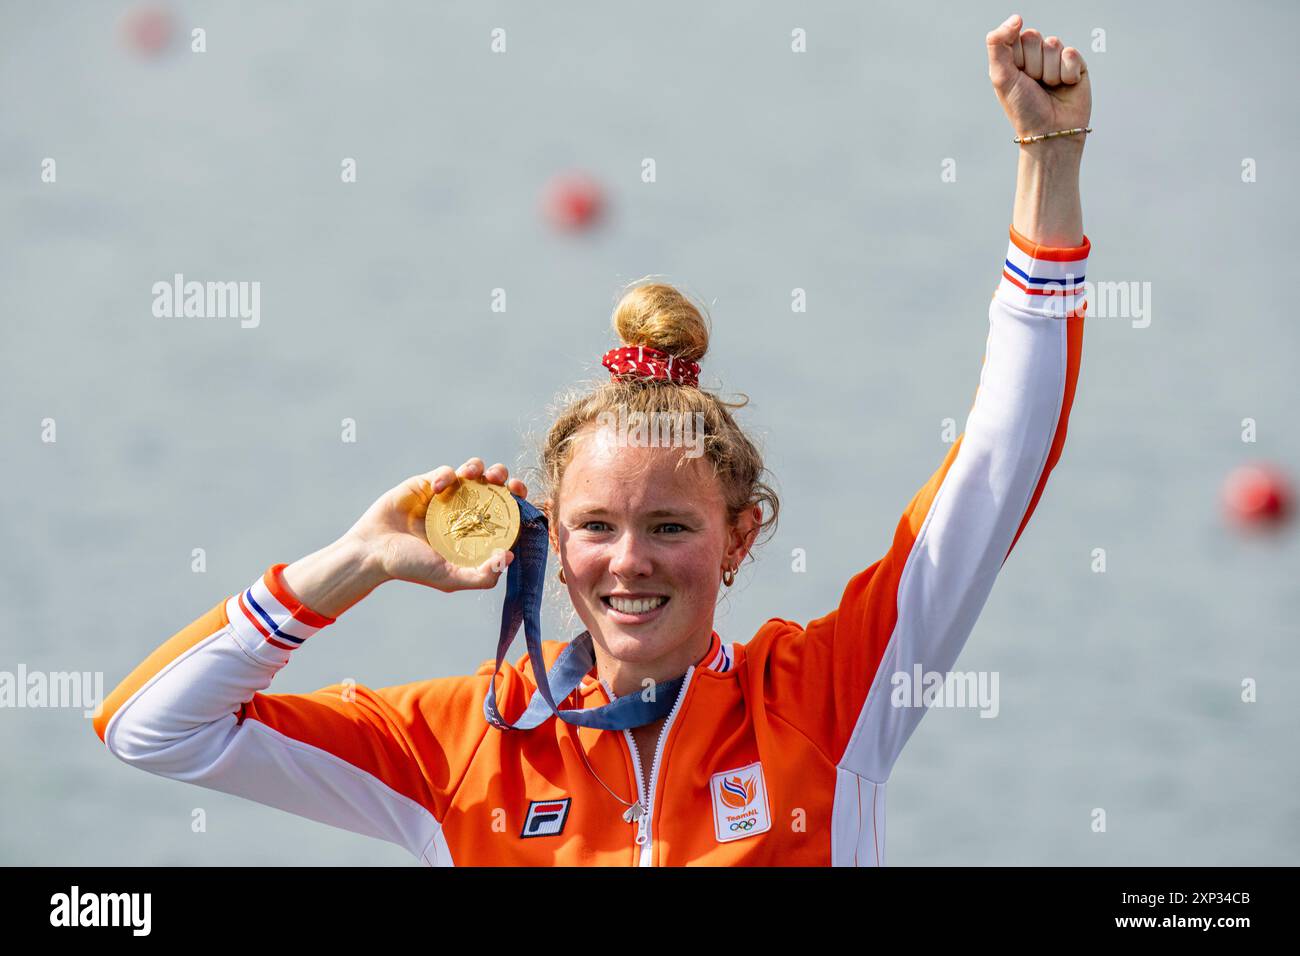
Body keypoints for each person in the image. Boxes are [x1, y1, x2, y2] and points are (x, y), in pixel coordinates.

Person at [93, 14, 1091, 866]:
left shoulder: (827, 702)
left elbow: (1001, 457)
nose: (629, 560)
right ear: (549, 544)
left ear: (740, 537)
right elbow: (152, 728)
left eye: (669, 525)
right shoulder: (461, 745)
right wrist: (354, 560)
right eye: (596, 526)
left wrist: (1045, 163)